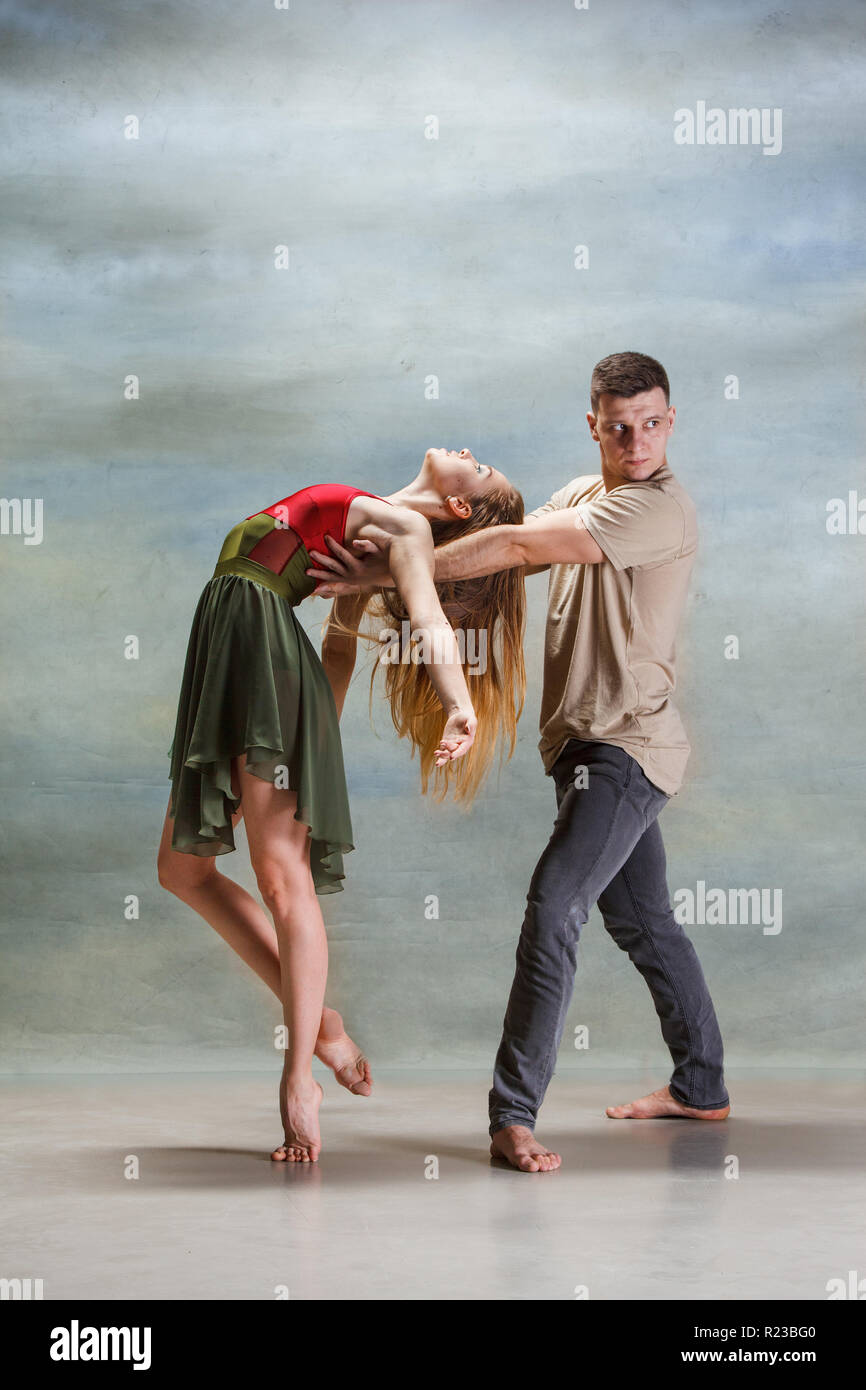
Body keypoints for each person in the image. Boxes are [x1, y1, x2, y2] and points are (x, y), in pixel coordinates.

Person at [308, 352, 731, 1174]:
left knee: (554, 906)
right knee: (642, 920)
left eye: (651, 423)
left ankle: (513, 1116)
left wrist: (392, 562)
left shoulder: (659, 510)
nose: (636, 440)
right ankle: (702, 1084)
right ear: (594, 424)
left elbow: (507, 543)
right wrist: (391, 571)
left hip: (627, 747)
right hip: (583, 745)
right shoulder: (583, 493)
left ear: (670, 422)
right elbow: (500, 555)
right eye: (619, 426)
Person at [157, 449, 525, 1163]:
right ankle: (321, 1024)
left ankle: (299, 1082)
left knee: (280, 874)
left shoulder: (406, 538)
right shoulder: (365, 541)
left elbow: (430, 621)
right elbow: (340, 652)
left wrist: (458, 706)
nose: (471, 457)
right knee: (181, 870)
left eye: (480, 473)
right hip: (241, 657)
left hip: (261, 655)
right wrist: (305, 743)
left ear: (458, 510)